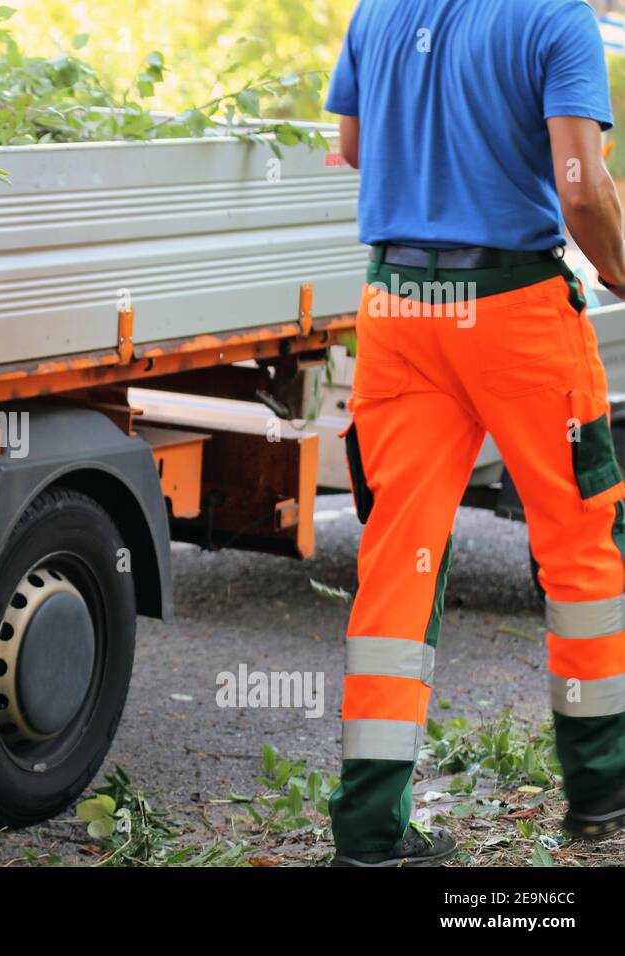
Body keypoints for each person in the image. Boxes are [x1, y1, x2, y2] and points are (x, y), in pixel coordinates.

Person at [325, 0, 625, 866]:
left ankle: (371, 833)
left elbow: (351, 144)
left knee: (396, 557)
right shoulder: (555, 20)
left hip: (397, 308)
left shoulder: (375, 10)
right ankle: (603, 786)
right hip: (514, 313)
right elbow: (580, 185)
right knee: (578, 541)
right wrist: (617, 266)